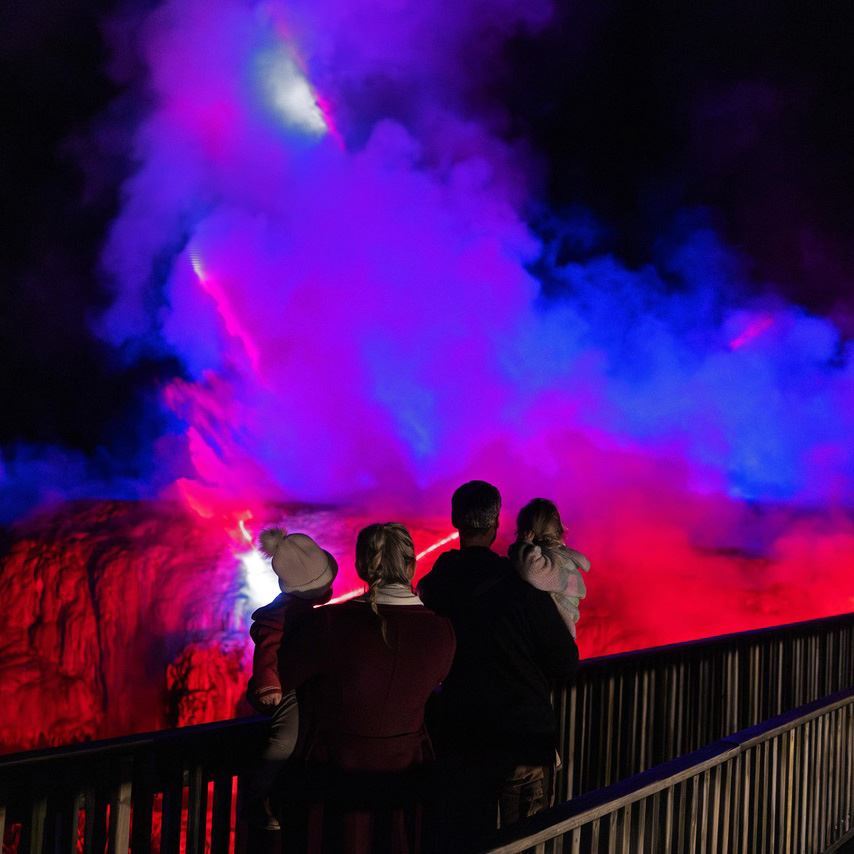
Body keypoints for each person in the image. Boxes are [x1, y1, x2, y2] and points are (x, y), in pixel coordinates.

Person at [276, 523, 456, 853]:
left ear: (361, 566)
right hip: (404, 781)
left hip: (334, 781)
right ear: (411, 566)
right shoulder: (440, 631)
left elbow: (281, 680)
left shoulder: (329, 624)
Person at [417, 480, 579, 848]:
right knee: (523, 841)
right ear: (495, 524)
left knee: (462, 840)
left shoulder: (434, 588)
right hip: (523, 738)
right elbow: (565, 662)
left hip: (461, 736)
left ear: (456, 520)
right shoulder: (520, 587)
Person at [244, 529, 338, 830]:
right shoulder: (282, 617)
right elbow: (268, 654)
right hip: (282, 689)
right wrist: (269, 687)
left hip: (292, 681)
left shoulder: (299, 611)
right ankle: (257, 794)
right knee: (286, 737)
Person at [509, 498, 590, 639]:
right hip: (555, 642)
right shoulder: (560, 559)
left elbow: (530, 570)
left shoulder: (553, 561)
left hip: (553, 641)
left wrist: (523, 545)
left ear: (528, 533)